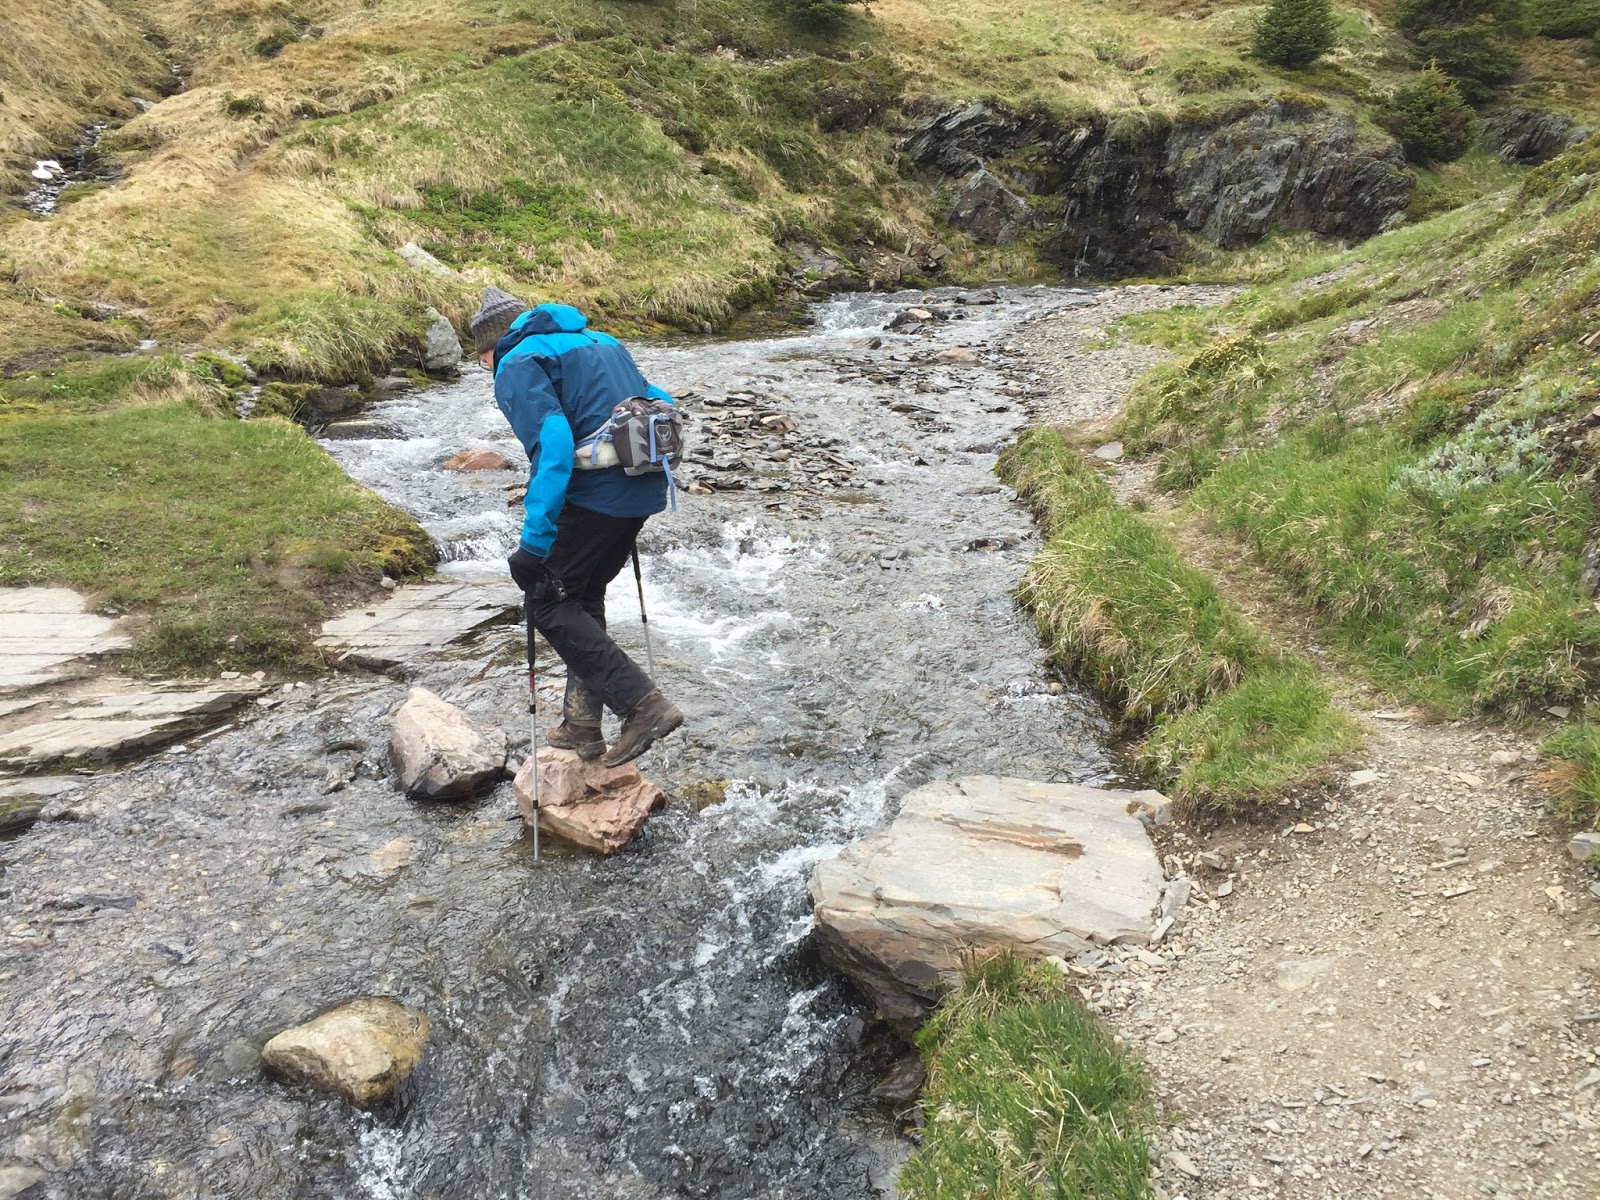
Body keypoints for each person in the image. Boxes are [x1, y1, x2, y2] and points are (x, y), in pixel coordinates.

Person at [469, 286, 684, 768]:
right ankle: (581, 725)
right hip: (645, 487)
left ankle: (642, 706)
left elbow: (554, 444)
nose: (484, 368)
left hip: (595, 496)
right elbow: (660, 401)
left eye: (480, 358)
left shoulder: (516, 362)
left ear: (490, 346)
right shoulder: (603, 341)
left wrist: (534, 541)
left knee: (546, 601)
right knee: (581, 597)